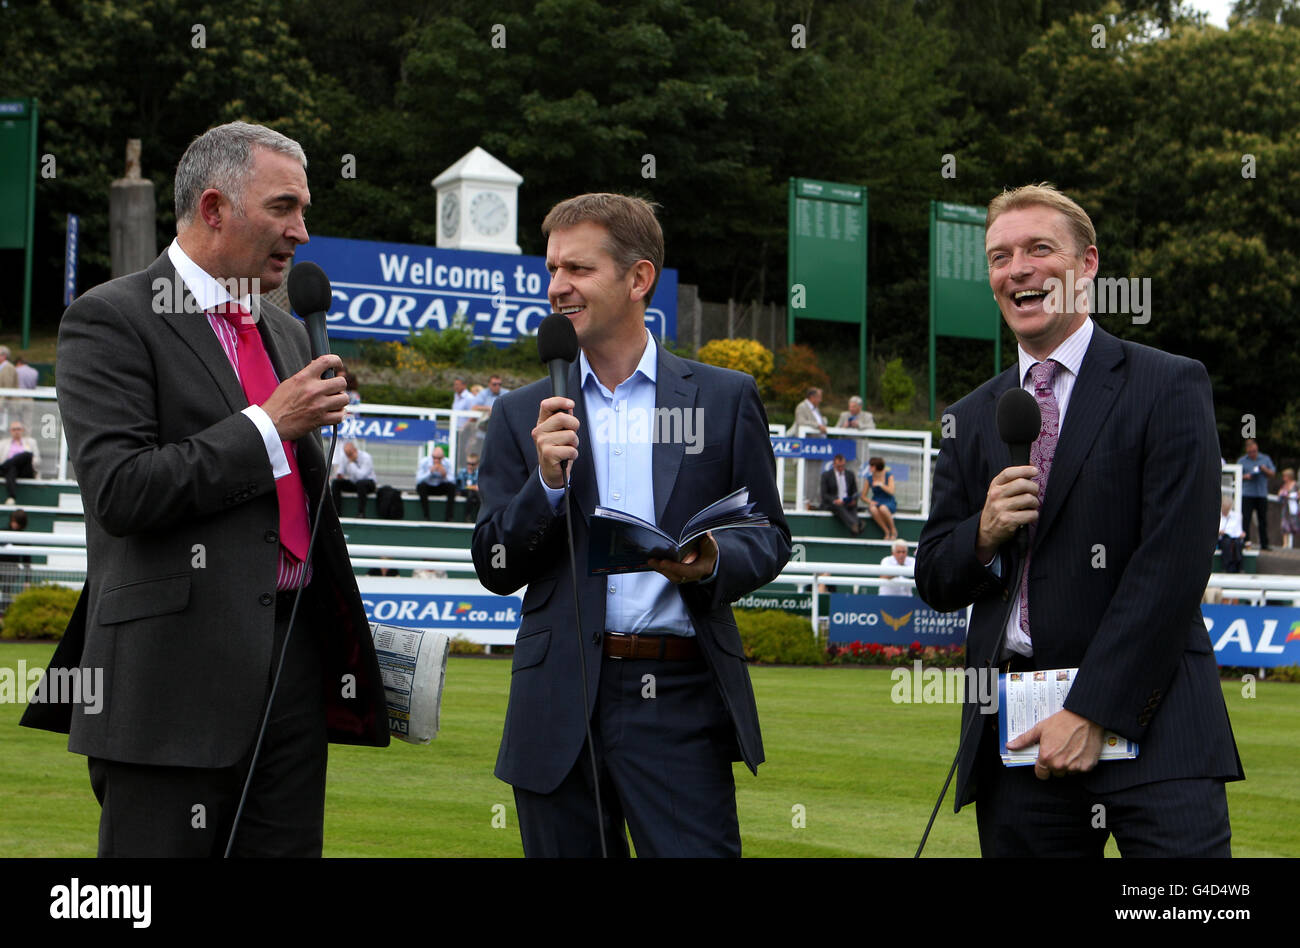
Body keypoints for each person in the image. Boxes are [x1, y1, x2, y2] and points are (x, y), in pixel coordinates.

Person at [19, 122, 389, 857]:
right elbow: (123, 491)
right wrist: (267, 425)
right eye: (284, 208)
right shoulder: (110, 318)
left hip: (291, 662)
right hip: (169, 675)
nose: (302, 232)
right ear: (215, 208)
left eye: (304, 210)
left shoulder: (284, 334)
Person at [915, 182, 1241, 857]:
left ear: (1087, 264)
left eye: (1039, 249)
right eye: (1000, 257)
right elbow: (936, 575)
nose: (1019, 269)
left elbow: (1172, 567)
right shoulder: (974, 415)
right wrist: (982, 533)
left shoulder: (1168, 384)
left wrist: (1093, 708)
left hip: (1156, 723)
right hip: (1020, 738)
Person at [472, 192, 791, 858]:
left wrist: (710, 561)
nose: (558, 287)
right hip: (556, 696)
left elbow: (768, 533)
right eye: (553, 269)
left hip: (678, 696)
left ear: (638, 278)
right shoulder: (519, 414)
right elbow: (495, 565)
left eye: (579, 270)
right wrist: (546, 485)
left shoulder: (724, 398)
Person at [1237, 439, 1275, 550]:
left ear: (1257, 449)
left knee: (1262, 520)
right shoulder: (1242, 461)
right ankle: (1245, 543)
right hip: (1247, 494)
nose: (1253, 454)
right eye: (1250, 452)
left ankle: (1264, 544)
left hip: (1261, 493)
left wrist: (1264, 469)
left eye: (1254, 451)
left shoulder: (1265, 459)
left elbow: (1272, 473)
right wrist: (1245, 476)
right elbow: (1236, 475)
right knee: (1245, 519)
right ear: (1247, 451)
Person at [794, 387, 828, 511]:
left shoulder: (816, 409)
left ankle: (811, 502)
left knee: (814, 477)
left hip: (816, 448)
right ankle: (804, 503)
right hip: (806, 448)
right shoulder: (802, 407)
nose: (820, 400)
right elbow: (801, 422)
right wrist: (818, 426)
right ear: (812, 397)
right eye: (819, 397)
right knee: (806, 477)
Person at [819, 453, 862, 535]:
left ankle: (856, 524)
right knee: (839, 506)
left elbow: (854, 491)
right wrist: (835, 500)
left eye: (843, 466)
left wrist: (853, 500)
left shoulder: (850, 474)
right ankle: (855, 524)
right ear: (834, 464)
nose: (841, 468)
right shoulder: (826, 475)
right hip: (833, 503)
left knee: (852, 506)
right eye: (839, 466)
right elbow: (824, 494)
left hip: (847, 501)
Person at [331, 440, 376, 517]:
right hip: (354, 483)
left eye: (350, 454)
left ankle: (361, 513)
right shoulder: (345, 457)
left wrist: (351, 462)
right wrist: (339, 475)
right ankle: (336, 512)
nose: (348, 456)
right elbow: (341, 471)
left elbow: (360, 476)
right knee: (336, 483)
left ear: (355, 450)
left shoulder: (366, 457)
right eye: (347, 454)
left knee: (361, 484)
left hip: (368, 483)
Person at [0, 421, 39, 504]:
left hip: (25, 470)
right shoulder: (3, 444)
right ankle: (12, 497)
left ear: (22, 430)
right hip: (11, 471)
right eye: (14, 429)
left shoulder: (31, 442)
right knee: (12, 468)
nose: (16, 431)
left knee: (27, 454)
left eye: (18, 429)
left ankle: (3, 467)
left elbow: (37, 460)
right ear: (10, 431)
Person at [415, 446, 458, 521]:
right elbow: (418, 480)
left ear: (443, 457)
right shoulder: (424, 462)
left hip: (440, 487)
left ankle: (449, 517)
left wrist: (445, 475)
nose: (436, 460)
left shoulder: (447, 463)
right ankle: (426, 516)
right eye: (434, 458)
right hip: (428, 487)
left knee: (452, 487)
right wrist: (430, 472)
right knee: (421, 486)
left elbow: (453, 481)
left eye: (439, 458)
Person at [860, 456, 897, 540]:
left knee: (883, 508)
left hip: (888, 500)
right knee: (873, 509)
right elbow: (863, 496)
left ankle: (893, 529)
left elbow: (891, 491)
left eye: (871, 466)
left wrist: (881, 484)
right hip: (876, 500)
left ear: (876, 467)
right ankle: (886, 531)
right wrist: (870, 502)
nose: (870, 468)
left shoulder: (888, 475)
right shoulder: (869, 478)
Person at [1218, 497, 1245, 573]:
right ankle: (1228, 566)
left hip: (1234, 538)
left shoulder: (1236, 516)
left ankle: (1237, 565)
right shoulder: (1217, 516)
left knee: (1237, 543)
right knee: (1227, 543)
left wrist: (1241, 534)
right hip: (1223, 538)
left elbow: (1238, 530)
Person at [456, 453, 481, 523]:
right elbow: (463, 485)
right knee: (471, 493)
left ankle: (479, 517)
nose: (470, 466)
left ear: (477, 464)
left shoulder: (479, 472)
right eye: (468, 463)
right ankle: (467, 516)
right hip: (464, 491)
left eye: (472, 464)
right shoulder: (463, 472)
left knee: (477, 495)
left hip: (475, 493)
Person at [1279, 468, 1299, 550]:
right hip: (1285, 507)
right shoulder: (1284, 485)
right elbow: (1280, 494)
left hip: (1294, 507)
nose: (1284, 478)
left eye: (1285, 476)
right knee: (1284, 525)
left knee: (1295, 525)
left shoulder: (1296, 484)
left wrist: (1291, 495)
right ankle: (1285, 544)